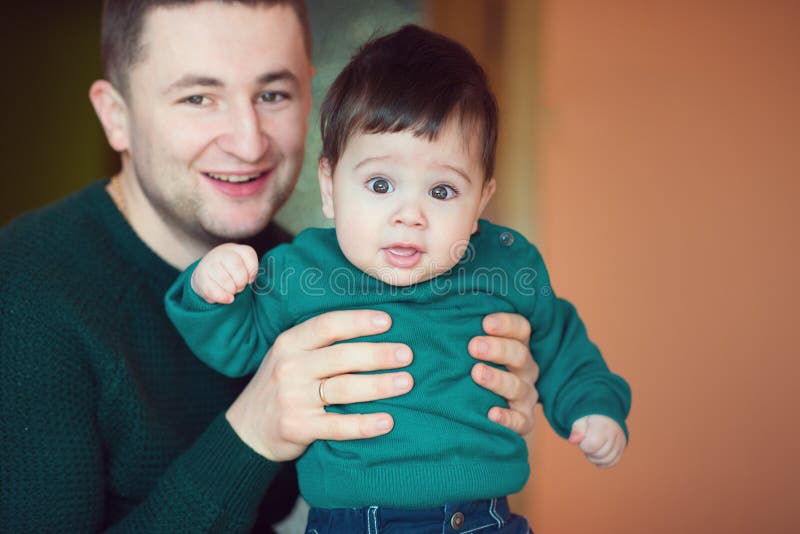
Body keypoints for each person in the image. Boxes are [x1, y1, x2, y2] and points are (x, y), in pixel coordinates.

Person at [0, 2, 540, 532]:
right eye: (198, 97)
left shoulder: (309, 268)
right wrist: (251, 434)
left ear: (310, 95)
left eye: (273, 94)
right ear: (116, 117)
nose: (248, 140)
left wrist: (487, 390)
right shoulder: (24, 292)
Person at [165, 25, 631, 534]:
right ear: (330, 187)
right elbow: (234, 344)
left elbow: (562, 341)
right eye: (381, 184)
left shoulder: (505, 265)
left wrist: (593, 406)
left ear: (481, 202)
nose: (410, 214)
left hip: (482, 519)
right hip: (352, 523)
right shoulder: (301, 272)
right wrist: (210, 288)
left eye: (443, 191)